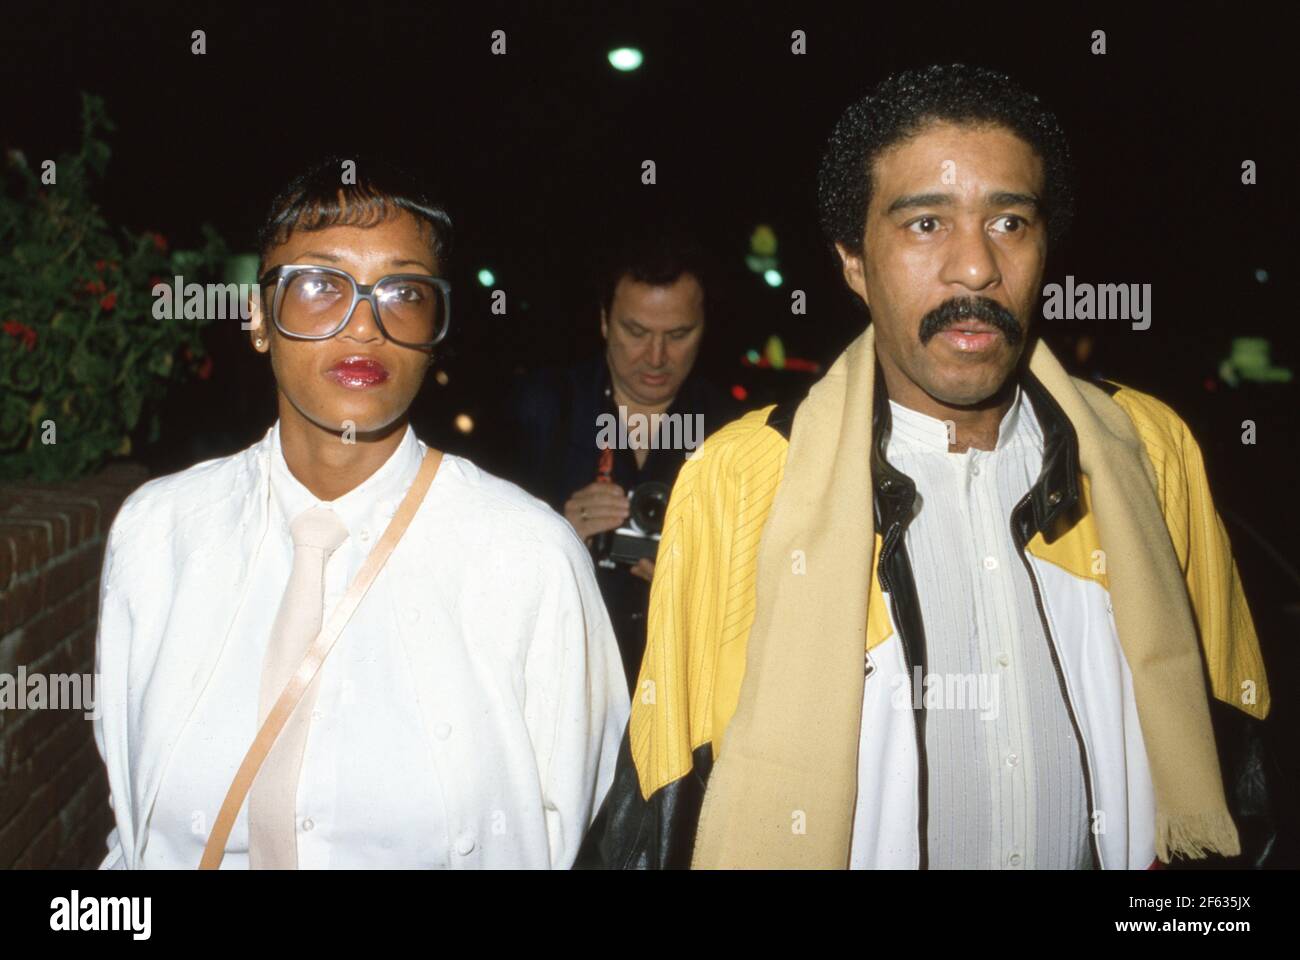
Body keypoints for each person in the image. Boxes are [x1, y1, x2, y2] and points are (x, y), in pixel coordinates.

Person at [578, 64, 1272, 869]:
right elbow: (664, 809)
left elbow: (1236, 771)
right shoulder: (739, 482)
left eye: (1009, 222)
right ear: (854, 263)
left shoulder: (1148, 451)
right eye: (925, 225)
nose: (975, 267)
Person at [91, 157, 629, 869]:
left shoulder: (527, 557)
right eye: (319, 284)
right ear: (257, 316)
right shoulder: (159, 534)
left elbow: (560, 823)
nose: (365, 324)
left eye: (402, 291)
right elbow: (135, 826)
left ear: (435, 329)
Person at [508, 228, 739, 690]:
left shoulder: (732, 434)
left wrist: (699, 587)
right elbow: (483, 571)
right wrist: (556, 535)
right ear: (603, 322)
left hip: (682, 689)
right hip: (562, 681)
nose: (655, 357)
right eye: (636, 332)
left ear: (704, 329)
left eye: (678, 334)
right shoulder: (542, 410)